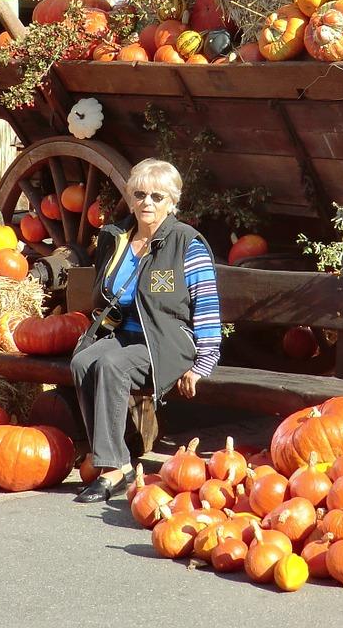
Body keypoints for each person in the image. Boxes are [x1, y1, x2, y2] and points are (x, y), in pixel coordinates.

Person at [69, 158, 221, 503]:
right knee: (83, 361)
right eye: (140, 195)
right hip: (126, 335)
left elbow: (207, 305)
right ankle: (114, 451)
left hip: (167, 341)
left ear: (172, 202)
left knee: (112, 366)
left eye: (157, 196)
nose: (147, 203)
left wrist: (203, 363)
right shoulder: (119, 237)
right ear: (130, 197)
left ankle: (113, 468)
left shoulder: (186, 244)